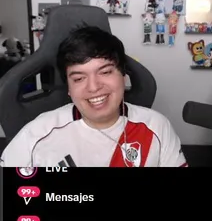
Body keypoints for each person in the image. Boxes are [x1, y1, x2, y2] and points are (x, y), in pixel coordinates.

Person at [0, 27, 187, 168]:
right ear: (69, 89)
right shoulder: (36, 135)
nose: (94, 87)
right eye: (79, 78)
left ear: (123, 76)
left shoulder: (156, 127)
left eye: (105, 72)